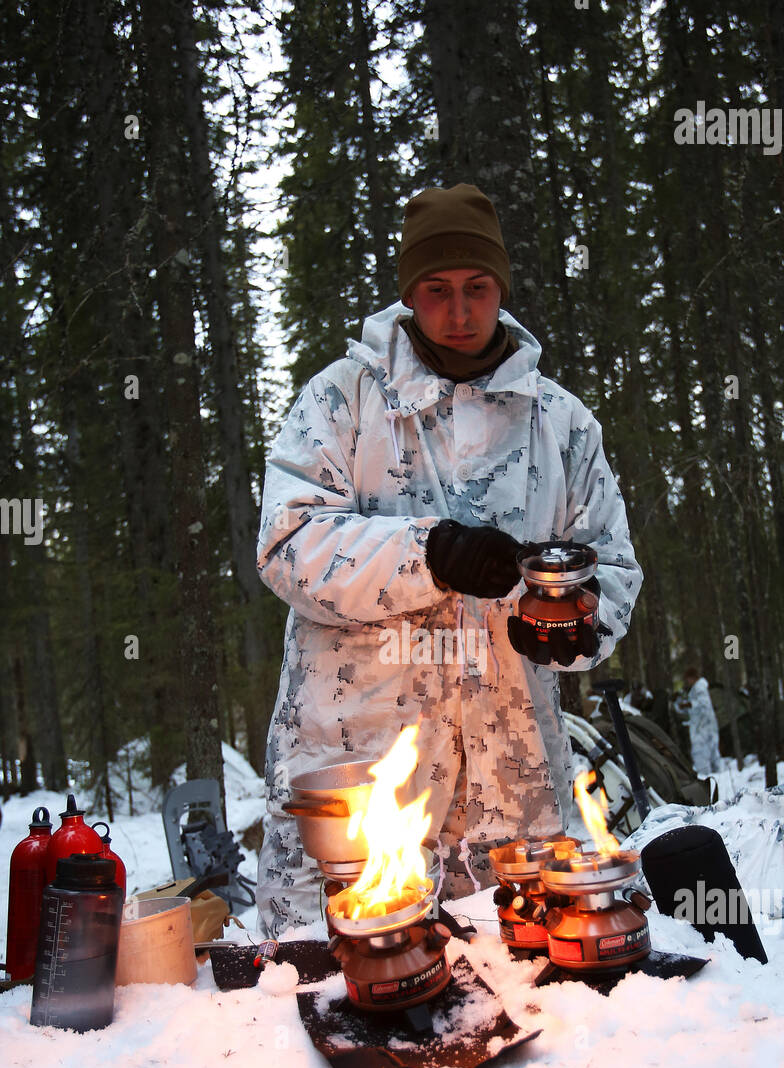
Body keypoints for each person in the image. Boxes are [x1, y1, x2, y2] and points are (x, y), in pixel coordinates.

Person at [255, 183, 643, 936]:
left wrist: (574, 627)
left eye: (477, 288)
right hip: (363, 782)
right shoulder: (344, 402)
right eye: (436, 291)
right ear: (409, 294)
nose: (459, 312)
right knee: (339, 992)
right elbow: (287, 544)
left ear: (501, 287)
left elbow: (612, 567)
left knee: (532, 993)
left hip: (515, 790)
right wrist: (428, 552)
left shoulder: (559, 422)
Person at [681, 665, 721, 776]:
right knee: (712, 750)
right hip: (705, 725)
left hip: (702, 726)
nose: (687, 682)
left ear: (692, 677)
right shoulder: (699, 687)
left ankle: (705, 776)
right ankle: (717, 773)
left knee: (700, 752)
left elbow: (704, 704)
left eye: (688, 679)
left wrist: (689, 704)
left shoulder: (699, 687)